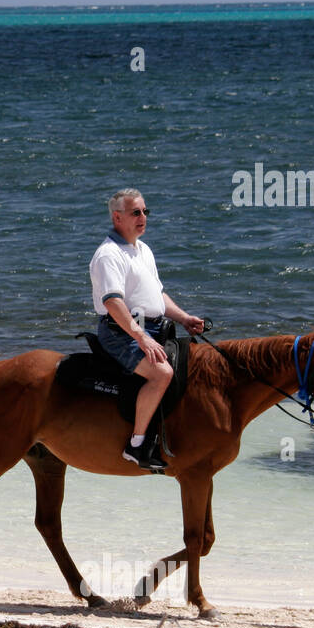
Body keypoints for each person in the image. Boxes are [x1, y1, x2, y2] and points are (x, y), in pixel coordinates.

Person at [88, 188, 204, 470]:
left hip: (152, 326)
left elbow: (157, 295)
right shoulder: (108, 254)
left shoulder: (144, 250)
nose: (143, 217)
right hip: (121, 330)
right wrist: (141, 337)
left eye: (145, 212)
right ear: (117, 217)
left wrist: (184, 317)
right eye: (136, 212)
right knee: (161, 373)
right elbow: (113, 302)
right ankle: (136, 445)